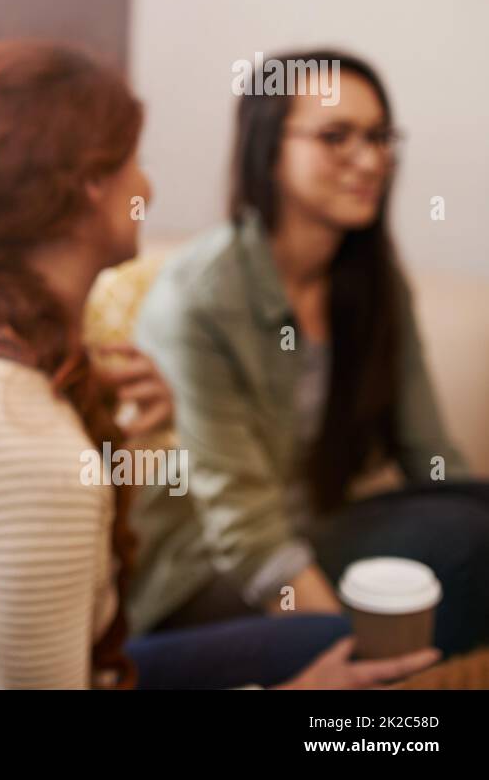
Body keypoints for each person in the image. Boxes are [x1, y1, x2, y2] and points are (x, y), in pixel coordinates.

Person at [0, 41, 439, 689]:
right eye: (135, 162)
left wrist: (124, 433)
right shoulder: (29, 452)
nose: (147, 189)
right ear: (90, 186)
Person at [129, 50, 489, 656]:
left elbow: (433, 460)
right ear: (269, 149)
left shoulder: (374, 282)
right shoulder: (199, 297)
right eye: (336, 137)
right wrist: (340, 654)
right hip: (207, 575)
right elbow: (244, 526)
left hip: (319, 534)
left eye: (378, 137)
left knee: (473, 525)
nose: (370, 159)